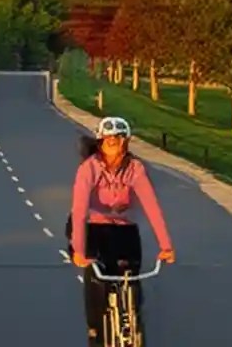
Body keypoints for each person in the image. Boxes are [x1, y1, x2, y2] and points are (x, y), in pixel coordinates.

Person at [67, 116, 175, 346]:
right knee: (97, 281)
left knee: (132, 280)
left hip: (125, 230)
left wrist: (166, 246)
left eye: (119, 139)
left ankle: (134, 323)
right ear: (100, 141)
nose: (114, 143)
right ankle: (95, 332)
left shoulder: (135, 169)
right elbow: (79, 210)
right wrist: (78, 250)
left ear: (126, 142)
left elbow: (152, 206)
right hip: (94, 228)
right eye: (109, 139)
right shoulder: (89, 169)